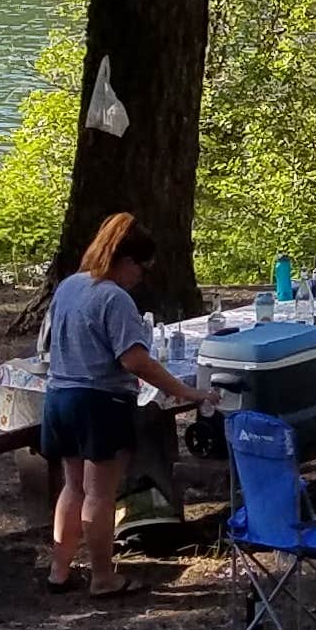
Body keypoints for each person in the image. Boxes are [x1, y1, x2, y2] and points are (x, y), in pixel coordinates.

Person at [40, 211, 206, 599]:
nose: (141, 278)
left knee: (73, 487)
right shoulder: (115, 298)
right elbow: (134, 360)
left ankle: (59, 571)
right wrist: (184, 391)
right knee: (100, 494)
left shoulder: (69, 286)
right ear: (127, 261)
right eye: (143, 269)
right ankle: (102, 577)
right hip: (100, 403)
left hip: (59, 399)